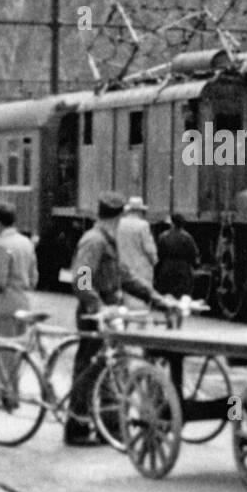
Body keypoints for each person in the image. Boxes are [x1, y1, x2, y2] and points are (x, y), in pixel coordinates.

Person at [67, 191, 174, 446]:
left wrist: (158, 299)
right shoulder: (94, 242)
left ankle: (111, 425)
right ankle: (76, 427)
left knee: (113, 368)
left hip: (110, 313)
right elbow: (81, 279)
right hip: (96, 315)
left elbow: (125, 277)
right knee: (90, 370)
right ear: (119, 217)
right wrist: (98, 306)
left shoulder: (107, 240)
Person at [0, 203, 37, 338]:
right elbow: (34, 279)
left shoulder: (0, 244)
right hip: (24, 302)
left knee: (4, 351)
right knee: (17, 351)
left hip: (6, 304)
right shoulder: (26, 242)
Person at [116, 196, 158, 292]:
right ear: (140, 211)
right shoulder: (143, 225)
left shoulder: (119, 224)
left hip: (123, 269)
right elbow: (149, 249)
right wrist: (154, 261)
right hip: (141, 270)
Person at [155, 213, 200, 298]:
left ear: (172, 223)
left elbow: (159, 254)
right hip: (183, 270)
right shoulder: (187, 237)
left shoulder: (163, 236)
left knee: (167, 296)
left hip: (167, 269)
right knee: (183, 296)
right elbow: (193, 254)